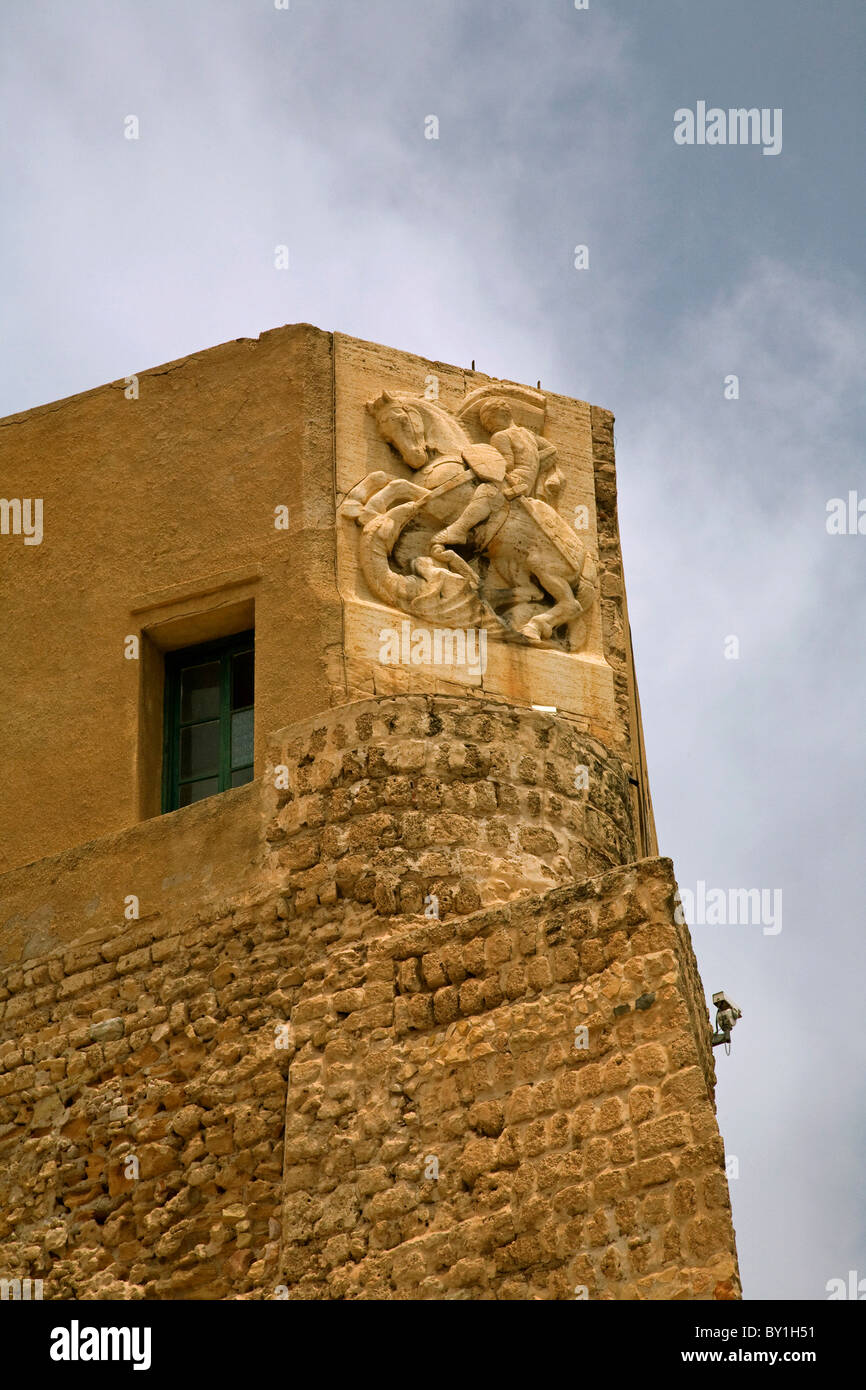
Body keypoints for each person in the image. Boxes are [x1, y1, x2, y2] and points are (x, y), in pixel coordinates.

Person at [433, 397, 558, 547]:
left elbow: (506, 464)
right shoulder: (528, 434)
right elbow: (552, 450)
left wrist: (480, 461)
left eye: (489, 421)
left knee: (485, 491)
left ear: (502, 415)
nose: (487, 427)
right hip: (528, 483)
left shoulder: (500, 436)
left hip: (514, 480)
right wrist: (534, 464)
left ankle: (459, 530)